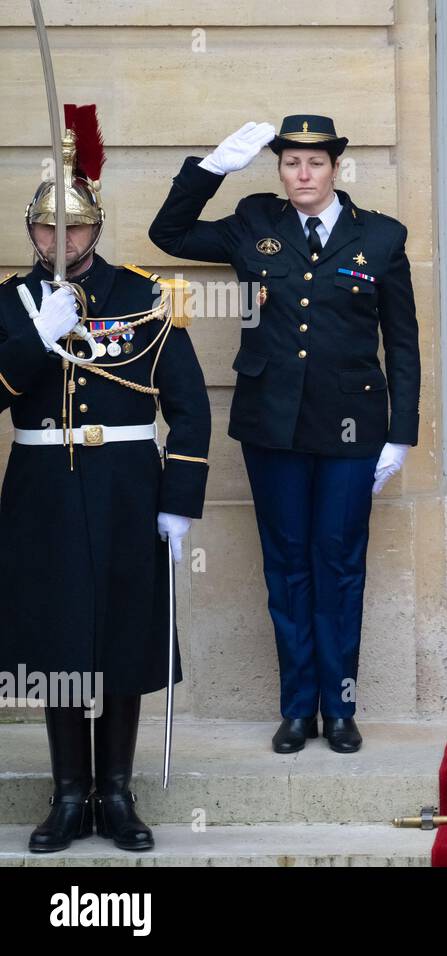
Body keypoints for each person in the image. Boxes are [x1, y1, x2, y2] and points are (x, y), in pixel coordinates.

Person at [148, 115, 421, 754]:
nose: (303, 174)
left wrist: (400, 432)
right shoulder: (255, 224)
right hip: (272, 426)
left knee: (339, 562)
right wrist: (211, 168)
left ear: (334, 168)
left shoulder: (379, 237)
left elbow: (402, 343)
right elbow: (170, 233)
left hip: (353, 430)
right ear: (278, 169)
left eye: (315, 162)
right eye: (291, 162)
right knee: (288, 564)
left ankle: (342, 709)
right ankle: (298, 708)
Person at [0, 105, 211, 852]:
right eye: (49, 230)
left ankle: (115, 795)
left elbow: (188, 407)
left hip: (127, 484)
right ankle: (66, 795)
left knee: (123, 633)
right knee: (58, 639)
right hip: (42, 487)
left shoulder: (144, 295)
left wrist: (179, 502)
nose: (62, 242)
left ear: (96, 228)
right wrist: (37, 338)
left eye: (77, 229)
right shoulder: (11, 304)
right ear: (33, 231)